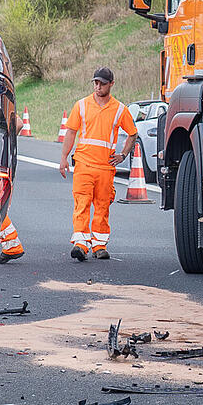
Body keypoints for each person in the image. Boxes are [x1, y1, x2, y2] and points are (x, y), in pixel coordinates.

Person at [59, 66, 136, 261]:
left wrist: (123, 154)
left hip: (105, 167)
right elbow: (71, 132)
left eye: (102, 83)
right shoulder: (82, 105)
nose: (98, 86)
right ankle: (80, 244)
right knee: (82, 204)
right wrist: (63, 159)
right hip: (84, 164)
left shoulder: (120, 109)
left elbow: (132, 133)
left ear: (111, 84)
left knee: (102, 206)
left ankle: (99, 245)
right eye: (95, 82)